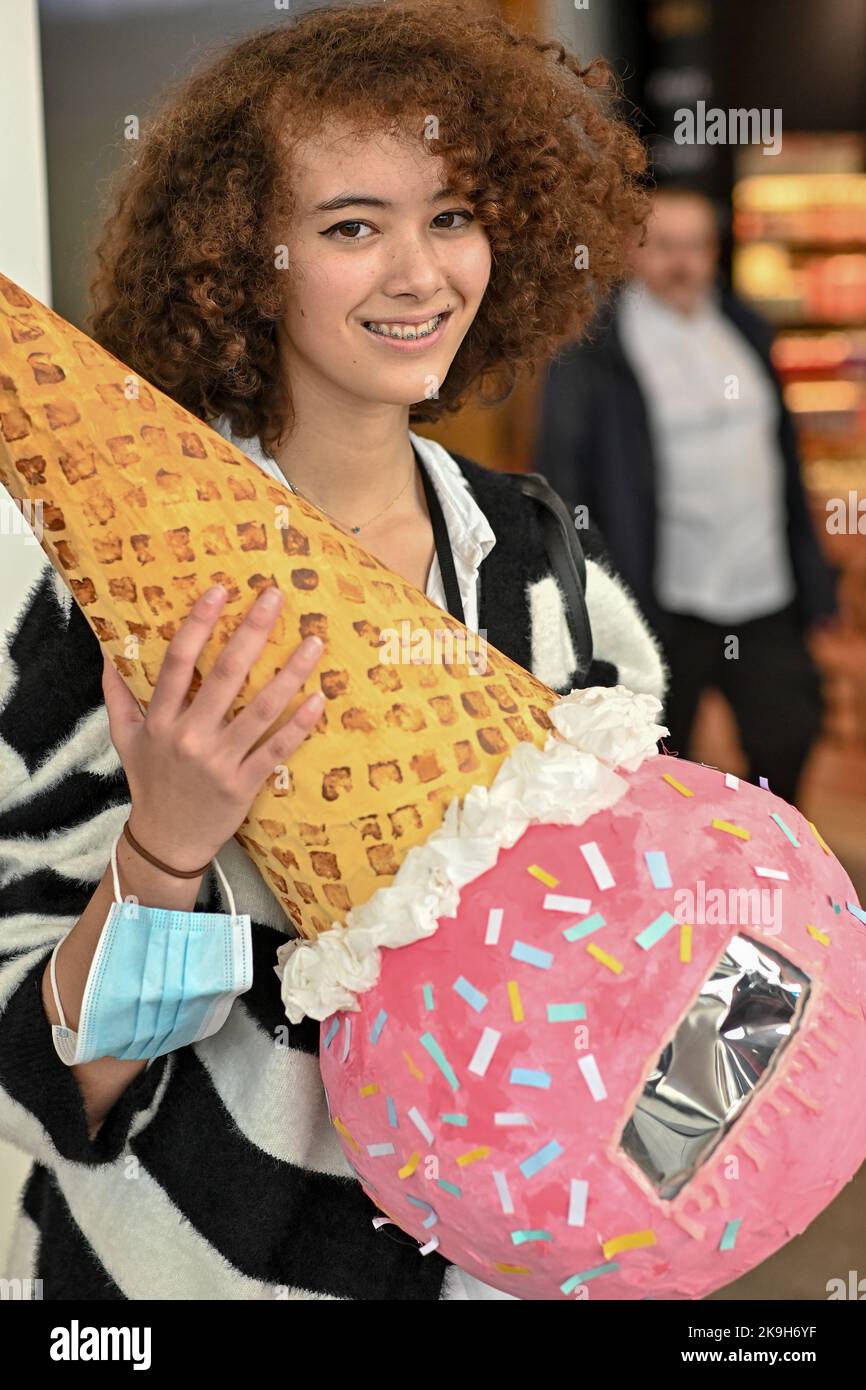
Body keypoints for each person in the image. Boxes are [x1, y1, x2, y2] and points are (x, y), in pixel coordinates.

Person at [0, 2, 666, 1300]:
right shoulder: (112, 598)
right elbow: (48, 1077)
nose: (421, 273)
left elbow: (610, 971)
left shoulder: (543, 562)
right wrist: (169, 846)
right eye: (352, 225)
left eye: (454, 215)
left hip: (490, 1271)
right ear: (245, 261)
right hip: (190, 1274)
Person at [533, 186, 839, 806]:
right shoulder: (597, 351)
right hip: (661, 601)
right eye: (664, 246)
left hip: (764, 592)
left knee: (787, 737)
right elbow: (562, 479)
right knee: (651, 768)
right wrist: (593, 594)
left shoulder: (746, 329)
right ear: (634, 251)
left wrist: (814, 582)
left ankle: (770, 867)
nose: (682, 262)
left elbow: (783, 458)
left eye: (696, 246)